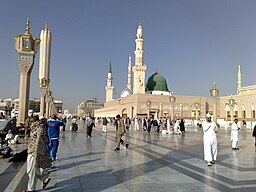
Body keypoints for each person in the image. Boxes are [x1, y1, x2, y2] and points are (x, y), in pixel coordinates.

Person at [24, 115, 51, 192]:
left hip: (34, 152)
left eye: (31, 121)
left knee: (31, 171)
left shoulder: (38, 128)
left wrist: (36, 153)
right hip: (33, 151)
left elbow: (38, 141)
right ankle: (44, 178)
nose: (30, 123)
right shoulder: (37, 128)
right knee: (34, 169)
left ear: (35, 121)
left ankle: (31, 189)